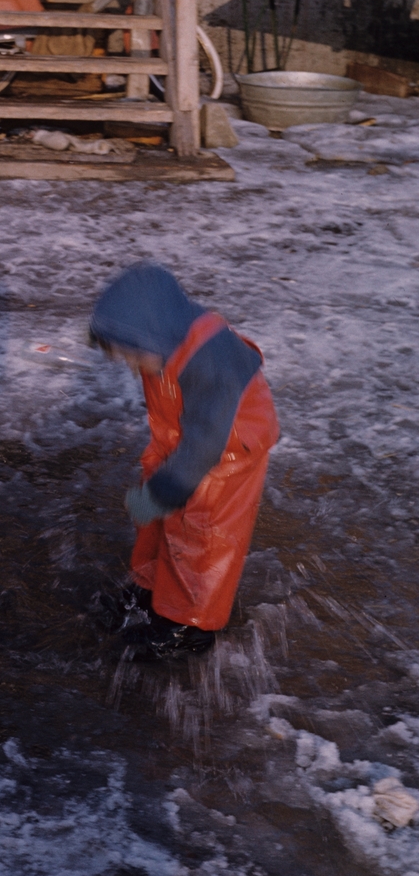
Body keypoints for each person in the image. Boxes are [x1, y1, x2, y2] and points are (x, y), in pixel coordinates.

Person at [89, 263, 279, 661]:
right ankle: (150, 590)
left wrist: (165, 491)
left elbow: (205, 445)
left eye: (132, 355)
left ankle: (187, 626)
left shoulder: (212, 365)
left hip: (227, 447)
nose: (130, 365)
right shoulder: (165, 338)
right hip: (181, 434)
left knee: (201, 532)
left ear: (158, 336)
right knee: (157, 517)